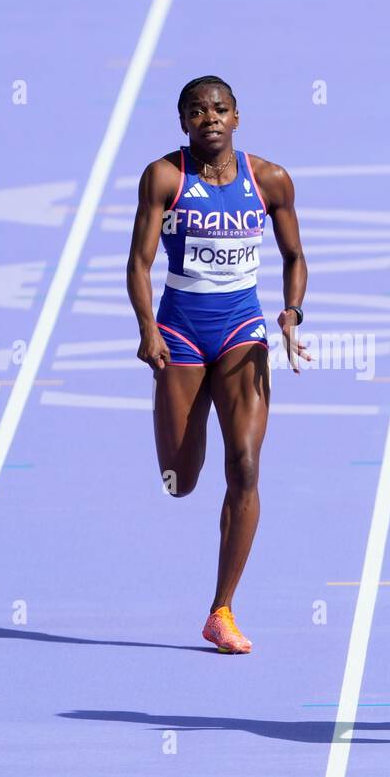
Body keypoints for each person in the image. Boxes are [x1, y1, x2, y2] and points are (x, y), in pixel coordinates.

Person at [126, 76, 309, 653]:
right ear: (183, 122)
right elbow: (138, 262)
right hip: (180, 332)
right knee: (179, 481)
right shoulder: (164, 177)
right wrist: (148, 329)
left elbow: (295, 255)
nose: (209, 118)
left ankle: (222, 609)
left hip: (240, 332)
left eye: (219, 109)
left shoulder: (271, 179)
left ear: (237, 117)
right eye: (197, 111)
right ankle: (190, 409)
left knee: (247, 466)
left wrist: (291, 313)